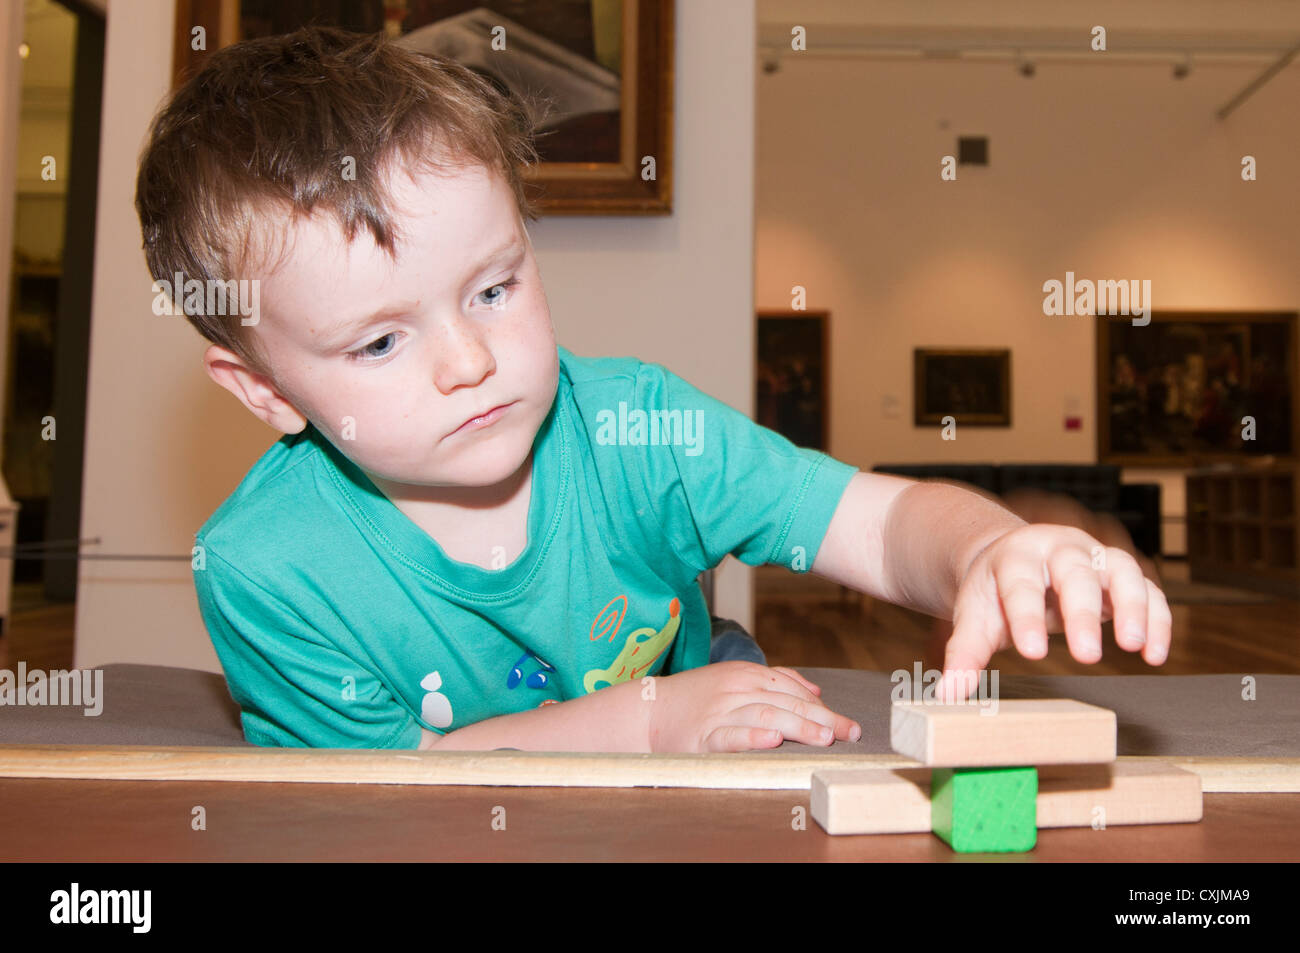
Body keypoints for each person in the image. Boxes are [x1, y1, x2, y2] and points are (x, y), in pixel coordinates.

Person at [135, 27, 1170, 753]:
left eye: (493, 286)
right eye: (376, 343)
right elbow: (380, 793)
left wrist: (982, 547)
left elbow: (871, 515)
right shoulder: (264, 565)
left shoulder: (644, 426)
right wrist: (641, 720)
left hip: (695, 719)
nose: (469, 360)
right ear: (266, 389)